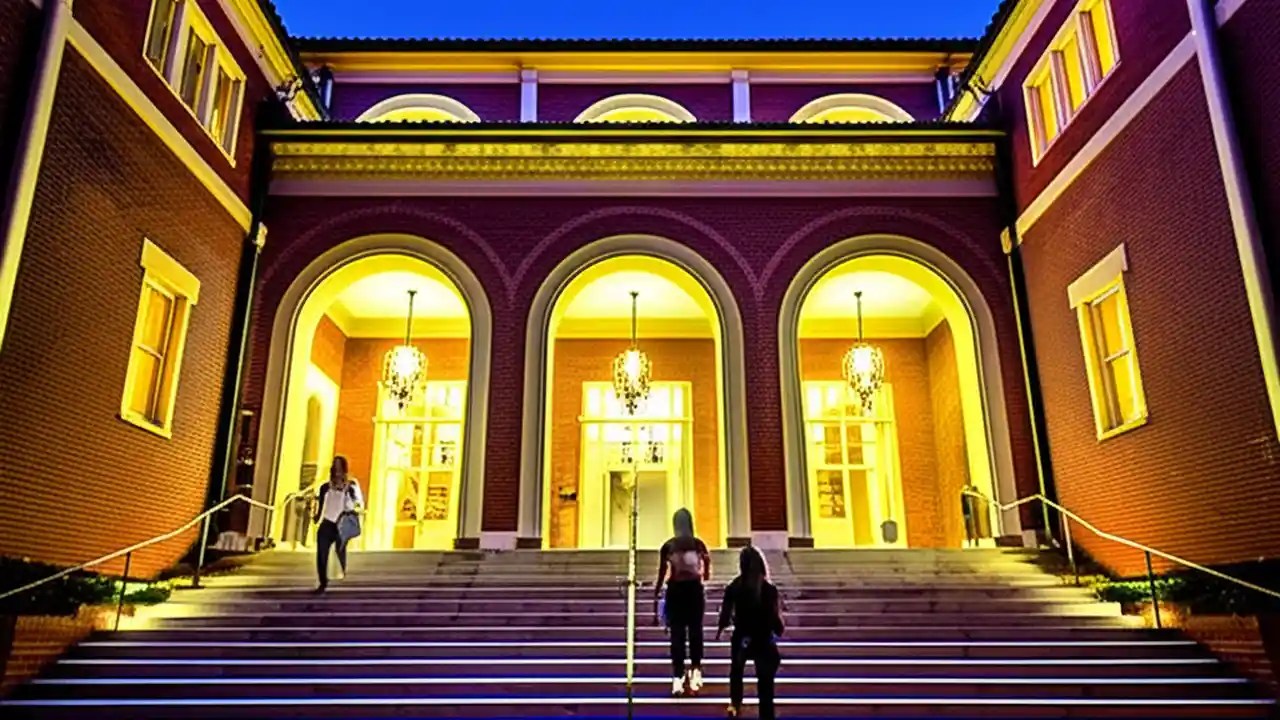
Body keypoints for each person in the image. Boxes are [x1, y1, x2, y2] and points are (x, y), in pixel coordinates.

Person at [718, 545, 784, 720]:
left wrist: (721, 628)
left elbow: (725, 614)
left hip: (743, 637)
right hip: (763, 639)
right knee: (765, 685)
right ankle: (766, 714)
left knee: (736, 670)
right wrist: (778, 629)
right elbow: (774, 617)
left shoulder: (734, 586)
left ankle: (735, 703)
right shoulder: (768, 589)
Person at [653, 508, 711, 697]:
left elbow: (663, 571)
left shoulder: (668, 546)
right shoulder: (698, 544)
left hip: (676, 591)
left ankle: (677, 677)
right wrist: (703, 575)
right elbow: (707, 568)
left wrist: (656, 591)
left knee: (677, 635)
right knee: (695, 632)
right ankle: (695, 671)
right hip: (694, 589)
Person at [313, 456, 362, 592]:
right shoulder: (325, 487)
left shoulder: (351, 487)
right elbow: (321, 505)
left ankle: (341, 572)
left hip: (341, 524)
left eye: (340, 468)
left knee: (340, 551)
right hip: (327, 523)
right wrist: (316, 517)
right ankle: (323, 581)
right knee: (321, 553)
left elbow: (357, 505)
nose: (337, 472)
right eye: (335, 468)